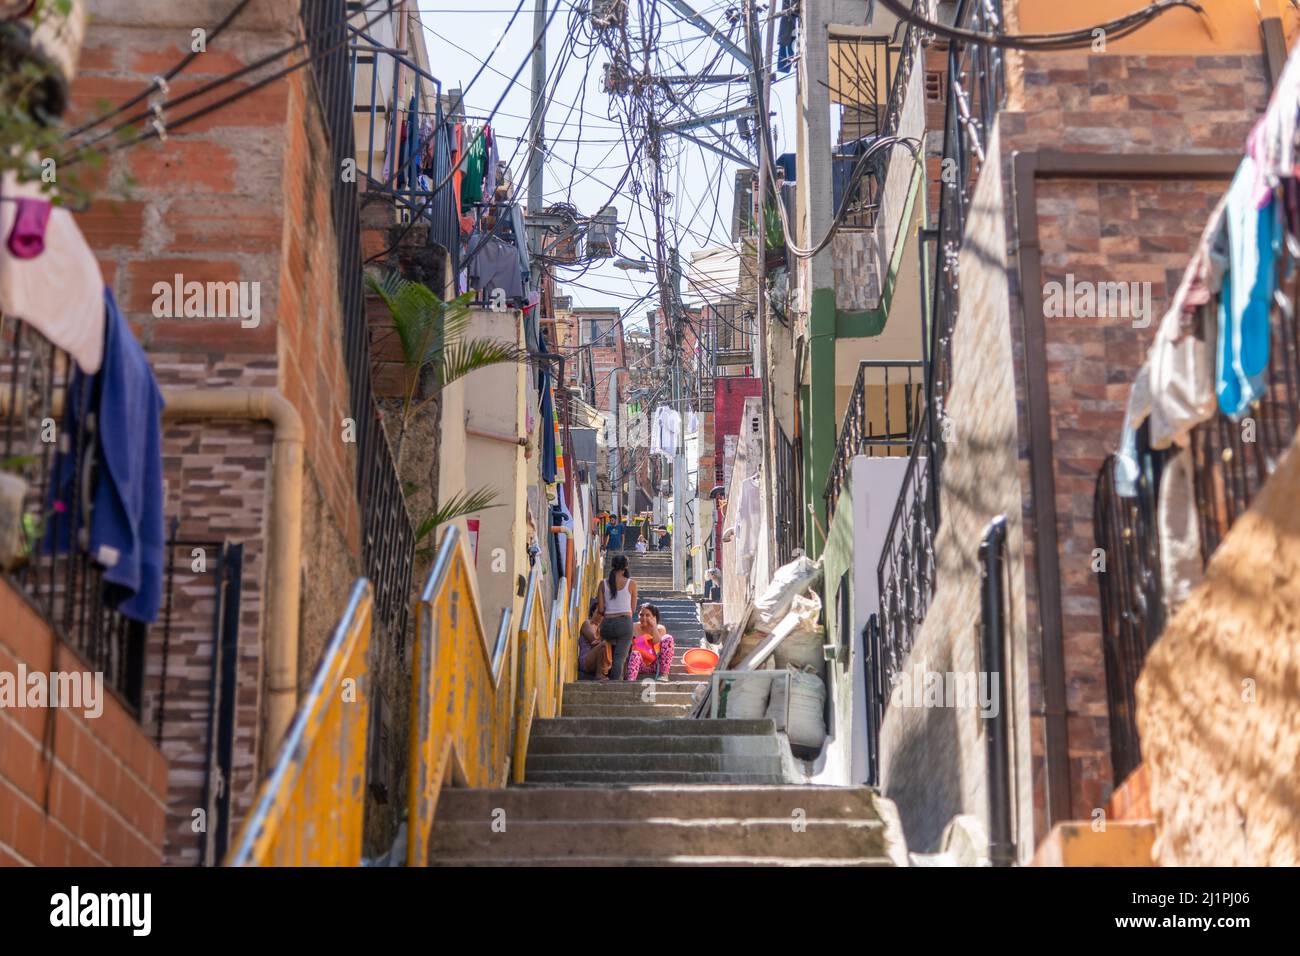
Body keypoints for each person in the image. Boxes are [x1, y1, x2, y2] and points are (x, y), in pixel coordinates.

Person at [596, 553, 637, 680]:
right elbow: (633, 609)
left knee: (607, 652)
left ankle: (601, 675)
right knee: (619, 658)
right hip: (624, 624)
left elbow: (601, 609)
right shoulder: (631, 584)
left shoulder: (603, 584)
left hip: (607, 625)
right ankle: (614, 683)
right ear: (626, 567)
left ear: (612, 566)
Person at [626, 603, 674, 682]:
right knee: (635, 653)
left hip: (657, 665)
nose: (644, 618)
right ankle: (631, 681)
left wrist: (654, 627)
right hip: (640, 664)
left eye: (647, 615)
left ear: (654, 617)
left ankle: (664, 674)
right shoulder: (634, 627)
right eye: (641, 615)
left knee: (668, 638)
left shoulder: (660, 629)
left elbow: (658, 647)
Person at [576, 597, 612, 680]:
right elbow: (594, 641)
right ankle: (599, 674)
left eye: (603, 615)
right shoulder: (587, 623)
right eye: (598, 613)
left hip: (596, 661)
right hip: (585, 661)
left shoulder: (600, 628)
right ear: (593, 611)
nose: (600, 616)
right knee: (604, 644)